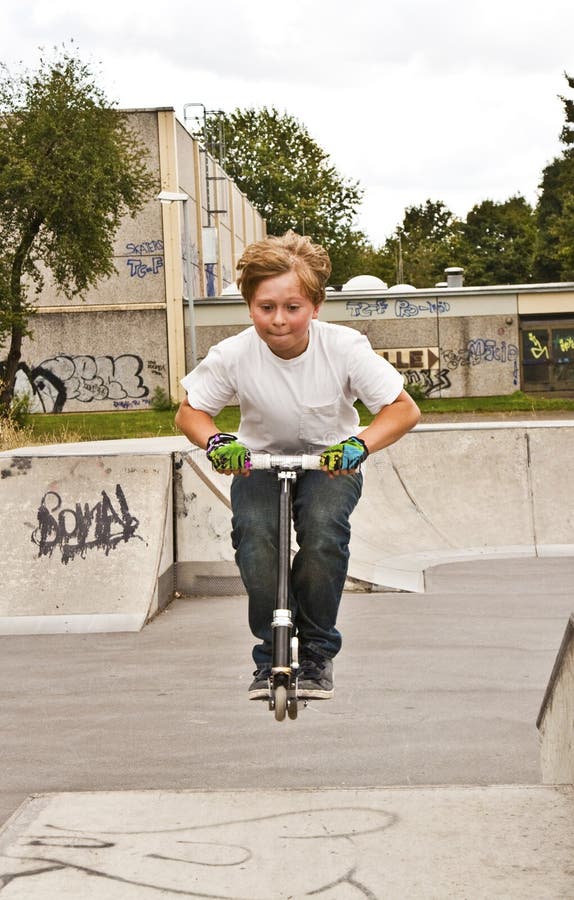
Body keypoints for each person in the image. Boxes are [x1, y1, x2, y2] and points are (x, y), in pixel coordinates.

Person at [175, 231, 420, 701]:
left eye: (293, 307)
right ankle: (271, 654)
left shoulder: (345, 347)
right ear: (249, 306)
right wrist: (217, 440)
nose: (279, 320)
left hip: (331, 462)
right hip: (259, 464)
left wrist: (359, 445)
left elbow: (402, 409)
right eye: (266, 307)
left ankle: (316, 653)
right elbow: (190, 411)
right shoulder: (233, 354)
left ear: (315, 306)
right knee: (257, 542)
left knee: (324, 531)